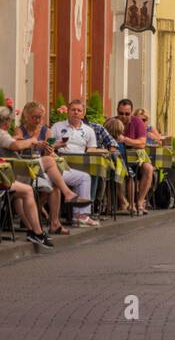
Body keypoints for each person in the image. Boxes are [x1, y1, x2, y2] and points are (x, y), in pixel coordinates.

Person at [14, 101, 93, 234]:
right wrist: (33, 143)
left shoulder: (47, 131)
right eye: (35, 117)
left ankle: (54, 223)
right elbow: (15, 142)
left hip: (41, 168)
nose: (38, 120)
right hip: (25, 168)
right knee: (53, 176)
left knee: (55, 183)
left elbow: (48, 152)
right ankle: (66, 197)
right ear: (26, 116)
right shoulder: (20, 130)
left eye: (41, 117)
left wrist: (51, 148)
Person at [0, 107, 54, 247]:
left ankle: (33, 230)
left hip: (7, 176)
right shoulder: (2, 133)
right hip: (3, 180)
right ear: (6, 122)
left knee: (23, 189)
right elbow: (15, 145)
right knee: (27, 190)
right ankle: (37, 233)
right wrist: (32, 141)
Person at [47, 98, 101, 228]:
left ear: (83, 113)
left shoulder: (88, 130)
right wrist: (57, 146)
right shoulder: (57, 127)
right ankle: (80, 216)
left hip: (80, 164)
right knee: (84, 177)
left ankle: (80, 216)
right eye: (73, 110)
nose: (76, 112)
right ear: (68, 112)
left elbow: (92, 148)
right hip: (59, 165)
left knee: (88, 176)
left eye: (79, 110)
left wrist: (93, 151)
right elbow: (48, 146)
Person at [116, 98, 154, 215]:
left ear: (131, 112)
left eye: (127, 114)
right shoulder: (113, 122)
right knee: (116, 169)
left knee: (149, 168)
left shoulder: (137, 122)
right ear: (117, 111)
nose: (123, 116)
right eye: (121, 113)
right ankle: (124, 202)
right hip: (119, 155)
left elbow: (142, 142)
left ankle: (140, 202)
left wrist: (126, 140)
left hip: (138, 153)